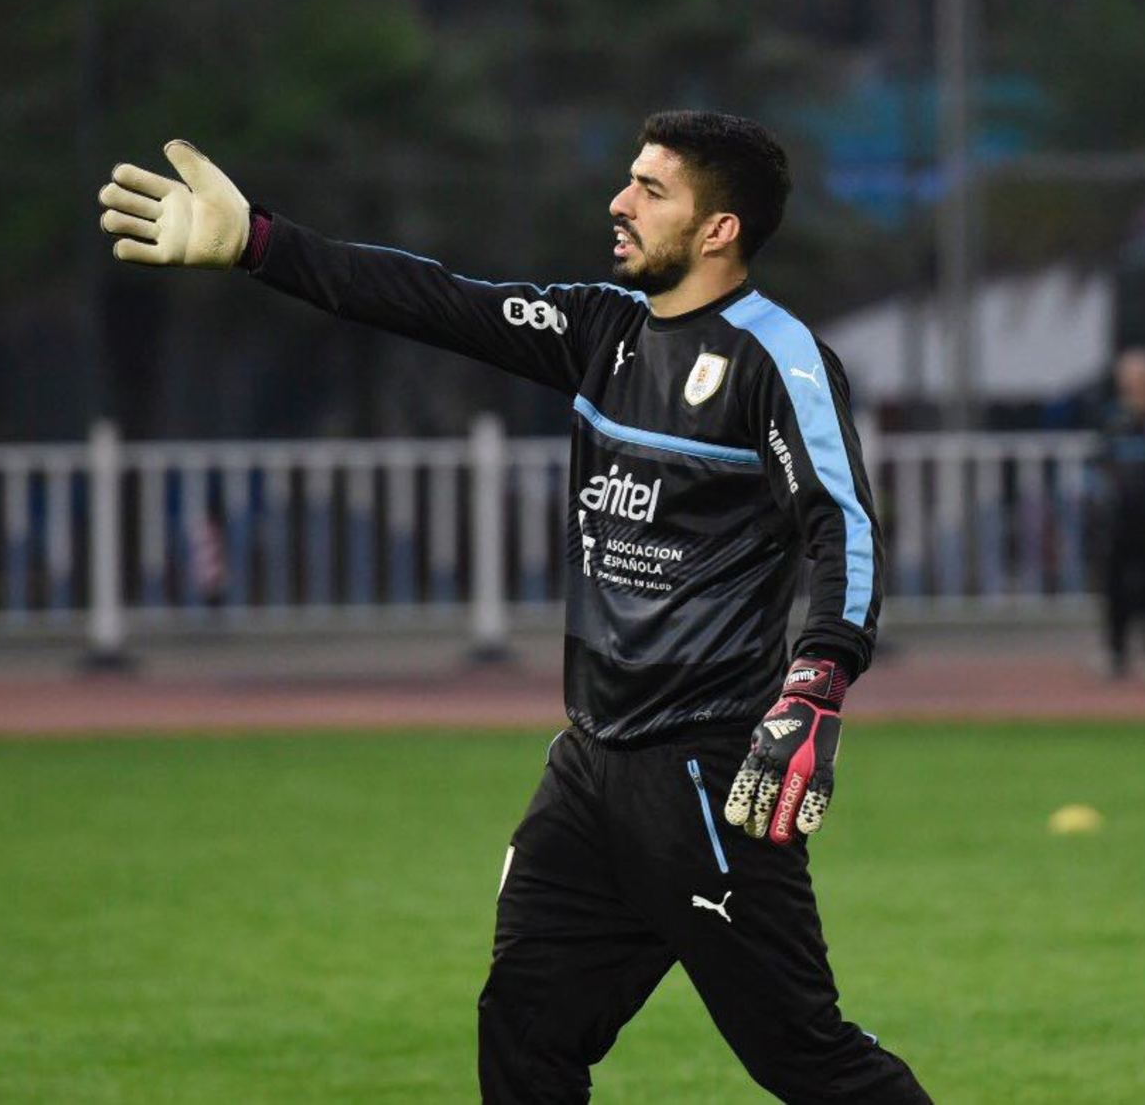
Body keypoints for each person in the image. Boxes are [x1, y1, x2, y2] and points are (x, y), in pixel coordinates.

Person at [98, 111, 931, 1103]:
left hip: (706, 774)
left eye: (651, 190)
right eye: (627, 179)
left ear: (720, 229)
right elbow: (435, 298)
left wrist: (817, 684)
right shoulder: (602, 327)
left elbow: (844, 528)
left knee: (805, 1053)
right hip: (589, 771)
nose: (619, 202)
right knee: (527, 1028)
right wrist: (263, 245)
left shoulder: (776, 360)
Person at [1098, 347, 1145, 677]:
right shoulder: (1115, 420)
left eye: (1139, 379)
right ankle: (1117, 653)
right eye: (1128, 380)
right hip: (1120, 518)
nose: (1133, 386)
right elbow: (1102, 462)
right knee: (1115, 585)